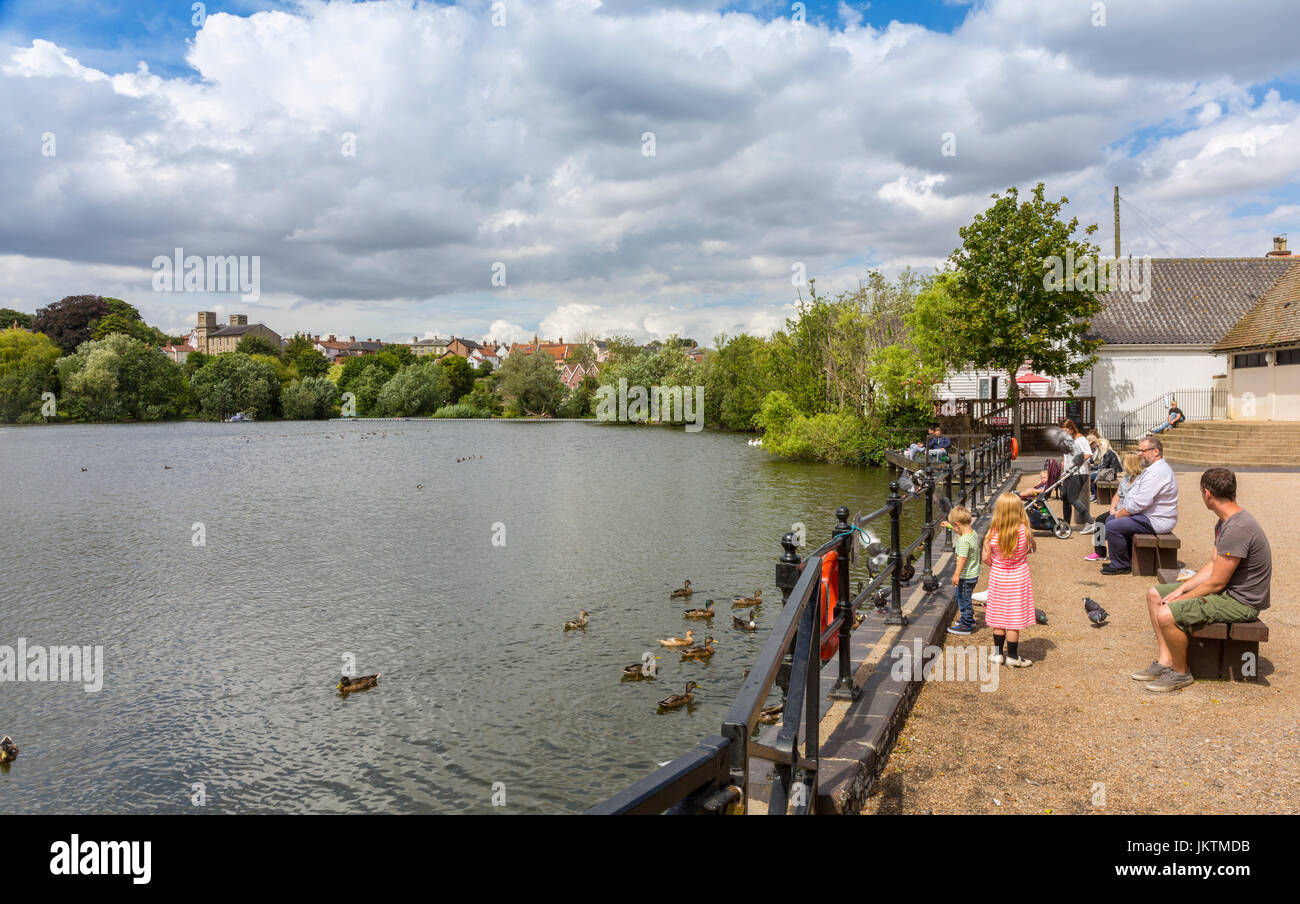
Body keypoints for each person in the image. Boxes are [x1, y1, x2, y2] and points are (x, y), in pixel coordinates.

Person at [1132, 468, 1270, 692]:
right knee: (1155, 595)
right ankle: (1166, 660)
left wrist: (1180, 599)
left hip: (1241, 602)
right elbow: (1213, 565)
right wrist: (1183, 588)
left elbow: (1217, 583)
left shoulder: (1238, 527)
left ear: (1207, 494)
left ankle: (1180, 672)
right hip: (1226, 592)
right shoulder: (1224, 522)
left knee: (1167, 613)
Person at [1101, 436, 1179, 575]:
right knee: (1109, 520)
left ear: (1156, 451)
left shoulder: (1157, 472)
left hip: (1156, 520)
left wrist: (1120, 513)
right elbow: (1134, 496)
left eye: (1143, 451)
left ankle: (1121, 564)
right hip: (1149, 516)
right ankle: (1123, 559)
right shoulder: (1153, 469)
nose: (1139, 454)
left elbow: (1140, 502)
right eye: (1139, 450)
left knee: (1113, 525)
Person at [982, 492, 1037, 667]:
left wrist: (995, 564)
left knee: (998, 616)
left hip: (998, 577)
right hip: (1019, 576)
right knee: (1014, 619)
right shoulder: (1024, 531)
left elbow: (985, 557)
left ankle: (998, 655)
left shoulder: (993, 533)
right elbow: (1031, 550)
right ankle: (1013, 656)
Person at [1084, 451, 1141, 562]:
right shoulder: (1126, 477)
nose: (1122, 465)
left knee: (1113, 524)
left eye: (1124, 462)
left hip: (1128, 512)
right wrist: (1112, 508)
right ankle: (1099, 552)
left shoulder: (1141, 480)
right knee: (1100, 519)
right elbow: (1117, 494)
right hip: (1118, 510)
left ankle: (1122, 555)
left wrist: (1119, 512)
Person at [942, 505, 980, 635]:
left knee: (963, 599)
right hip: (973, 574)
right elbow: (961, 530)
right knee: (965, 597)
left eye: (954, 525)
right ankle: (969, 619)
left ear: (958, 523)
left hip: (965, 575)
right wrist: (950, 526)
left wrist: (956, 574)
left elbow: (962, 559)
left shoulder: (963, 541)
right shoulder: (972, 533)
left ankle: (966, 624)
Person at [1058, 419, 1095, 533]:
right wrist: (1064, 463)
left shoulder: (1080, 439)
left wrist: (1076, 463)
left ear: (1071, 429)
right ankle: (1066, 524)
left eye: (1065, 431)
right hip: (1069, 472)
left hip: (1079, 472)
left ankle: (1090, 523)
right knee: (1064, 496)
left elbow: (1088, 453)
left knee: (1072, 498)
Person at [1088, 434, 1121, 501]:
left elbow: (1104, 466)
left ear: (1102, 446)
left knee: (1089, 477)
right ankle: (1095, 495)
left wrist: (1092, 467)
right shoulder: (1106, 452)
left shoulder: (1107, 453)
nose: (1097, 447)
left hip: (1110, 474)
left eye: (1098, 446)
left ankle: (1095, 496)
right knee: (1090, 477)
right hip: (1107, 472)